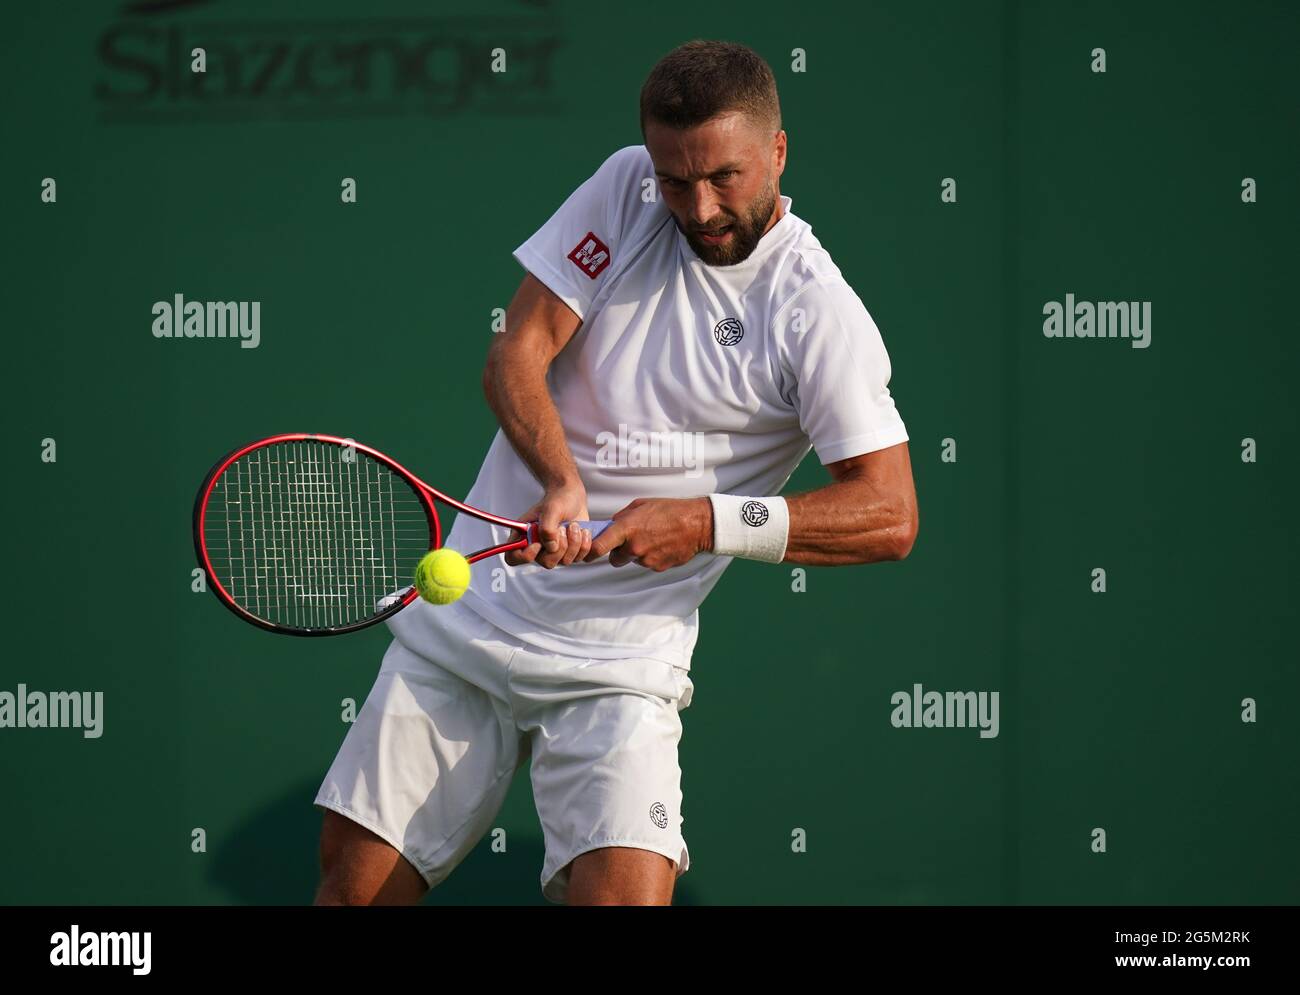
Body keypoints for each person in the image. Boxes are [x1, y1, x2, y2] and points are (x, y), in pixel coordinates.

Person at [312, 39, 918, 907]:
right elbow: (517, 350)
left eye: (725, 178)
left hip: (621, 664)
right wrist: (559, 481)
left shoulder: (816, 314)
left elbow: (889, 515)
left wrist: (706, 521)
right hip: (473, 618)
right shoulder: (627, 186)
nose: (698, 206)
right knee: (354, 892)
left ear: (778, 153)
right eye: (676, 180)